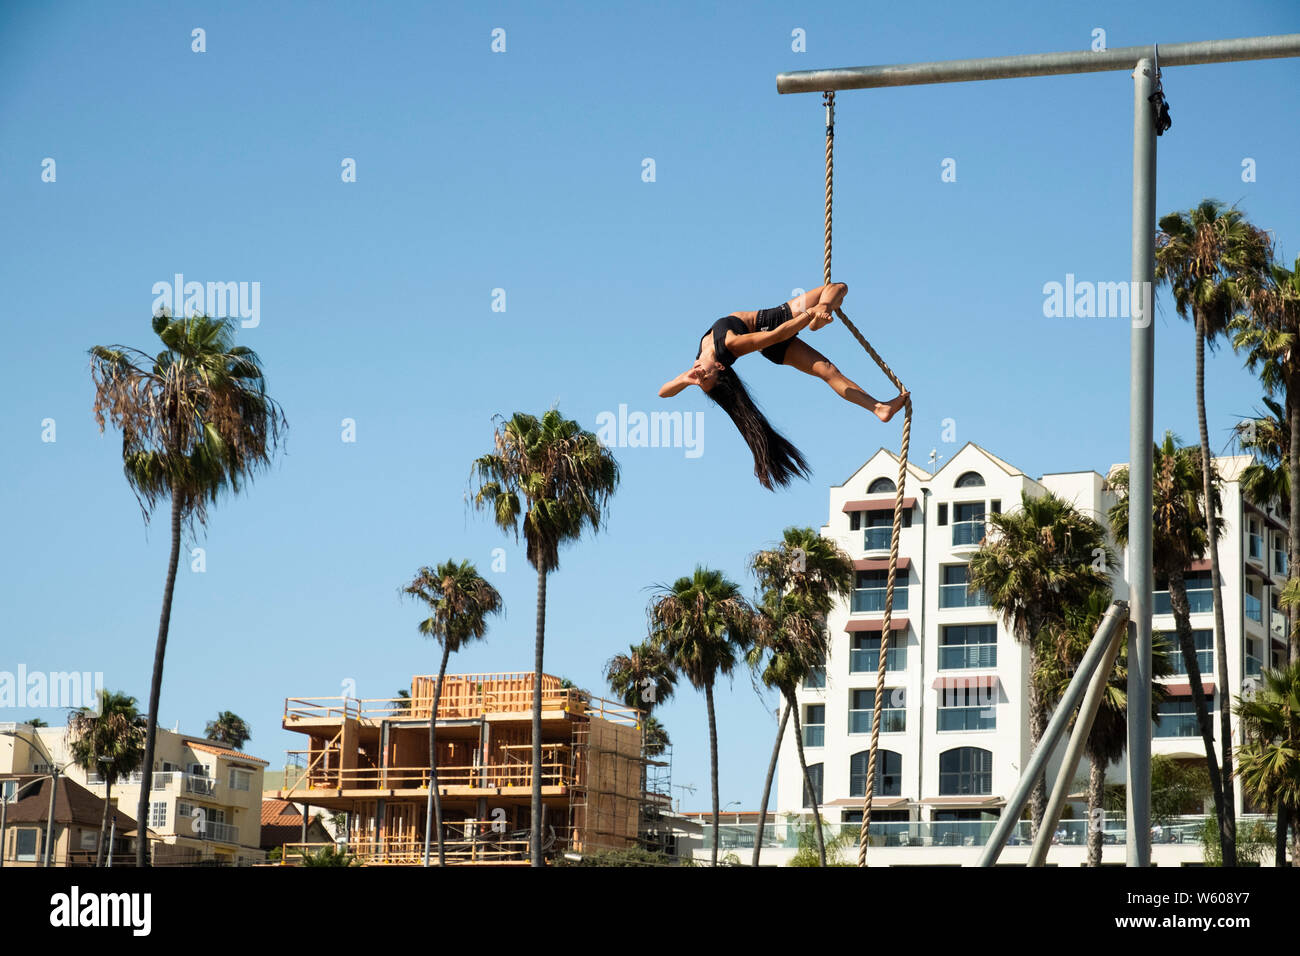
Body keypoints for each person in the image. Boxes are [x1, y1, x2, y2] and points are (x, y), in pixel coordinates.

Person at [658, 283, 908, 489]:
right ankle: (823, 309)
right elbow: (775, 335)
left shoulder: (699, 366)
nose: (698, 376)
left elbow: (662, 392)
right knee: (837, 287)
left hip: (774, 338)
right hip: (772, 324)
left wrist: (683, 379)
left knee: (828, 371)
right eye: (704, 378)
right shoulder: (731, 344)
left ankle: (878, 408)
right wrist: (809, 315)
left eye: (699, 378)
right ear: (721, 368)